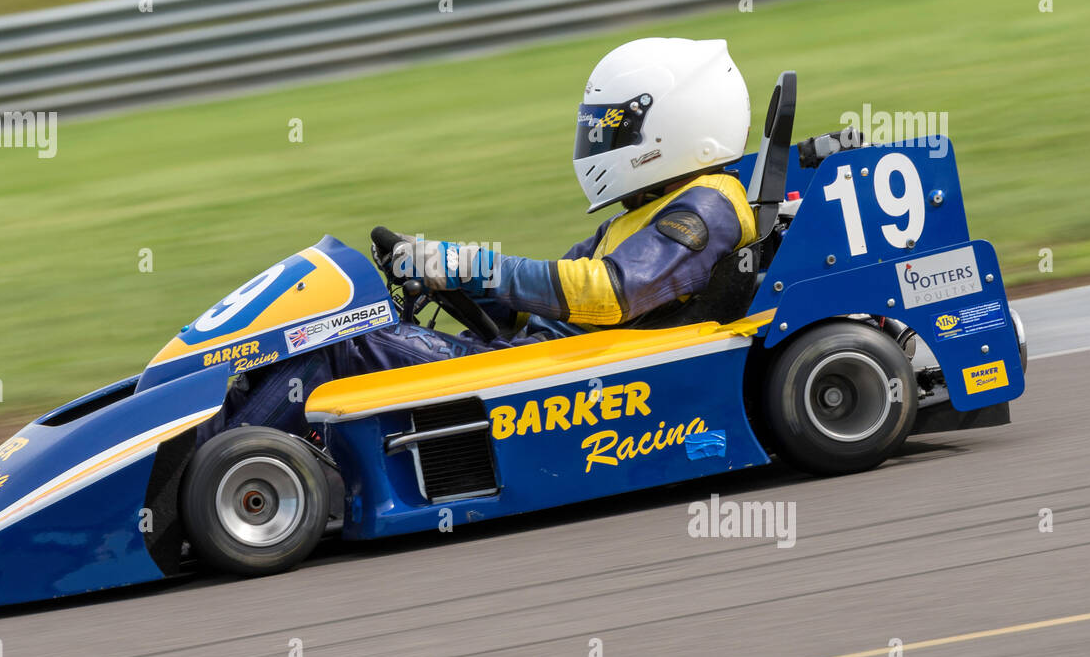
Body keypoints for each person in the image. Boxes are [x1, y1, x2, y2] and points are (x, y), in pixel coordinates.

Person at [222, 37, 758, 437]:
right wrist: (446, 281)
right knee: (309, 335)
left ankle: (217, 470)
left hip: (562, 384)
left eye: (612, 128)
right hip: (534, 362)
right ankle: (229, 457)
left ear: (676, 125)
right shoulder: (640, 212)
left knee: (339, 342)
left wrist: (466, 264)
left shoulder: (707, 206)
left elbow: (610, 293)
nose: (599, 141)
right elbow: (539, 304)